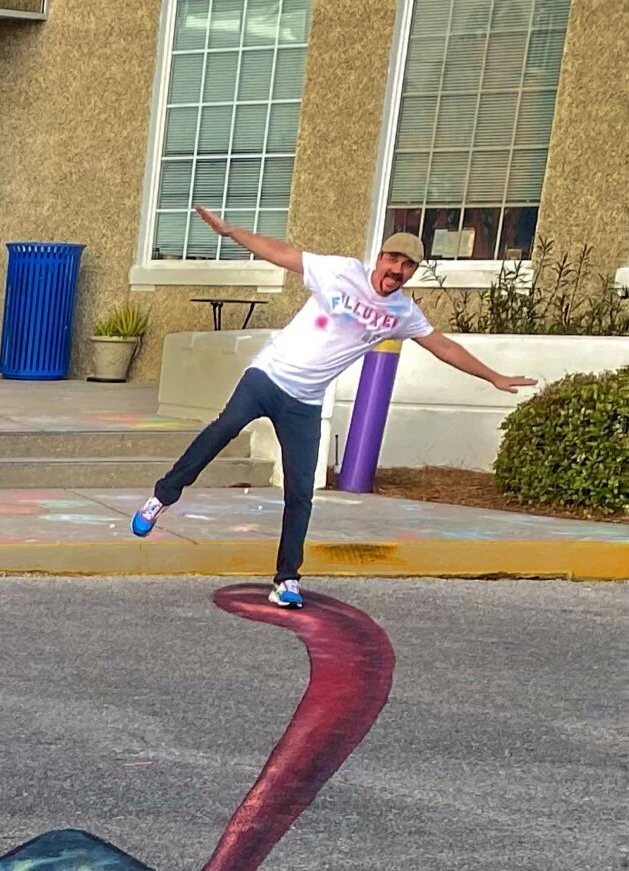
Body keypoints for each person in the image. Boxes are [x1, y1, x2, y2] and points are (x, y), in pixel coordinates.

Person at [134, 208, 537, 608]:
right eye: (393, 260)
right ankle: (161, 498)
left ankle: (286, 579)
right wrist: (231, 231)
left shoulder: (402, 314)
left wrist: (494, 377)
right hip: (267, 377)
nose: (397, 270)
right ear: (379, 259)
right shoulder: (341, 272)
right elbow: (282, 254)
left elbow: (443, 346)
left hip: (305, 404)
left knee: (300, 493)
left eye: (407, 266)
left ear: (412, 273)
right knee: (224, 428)